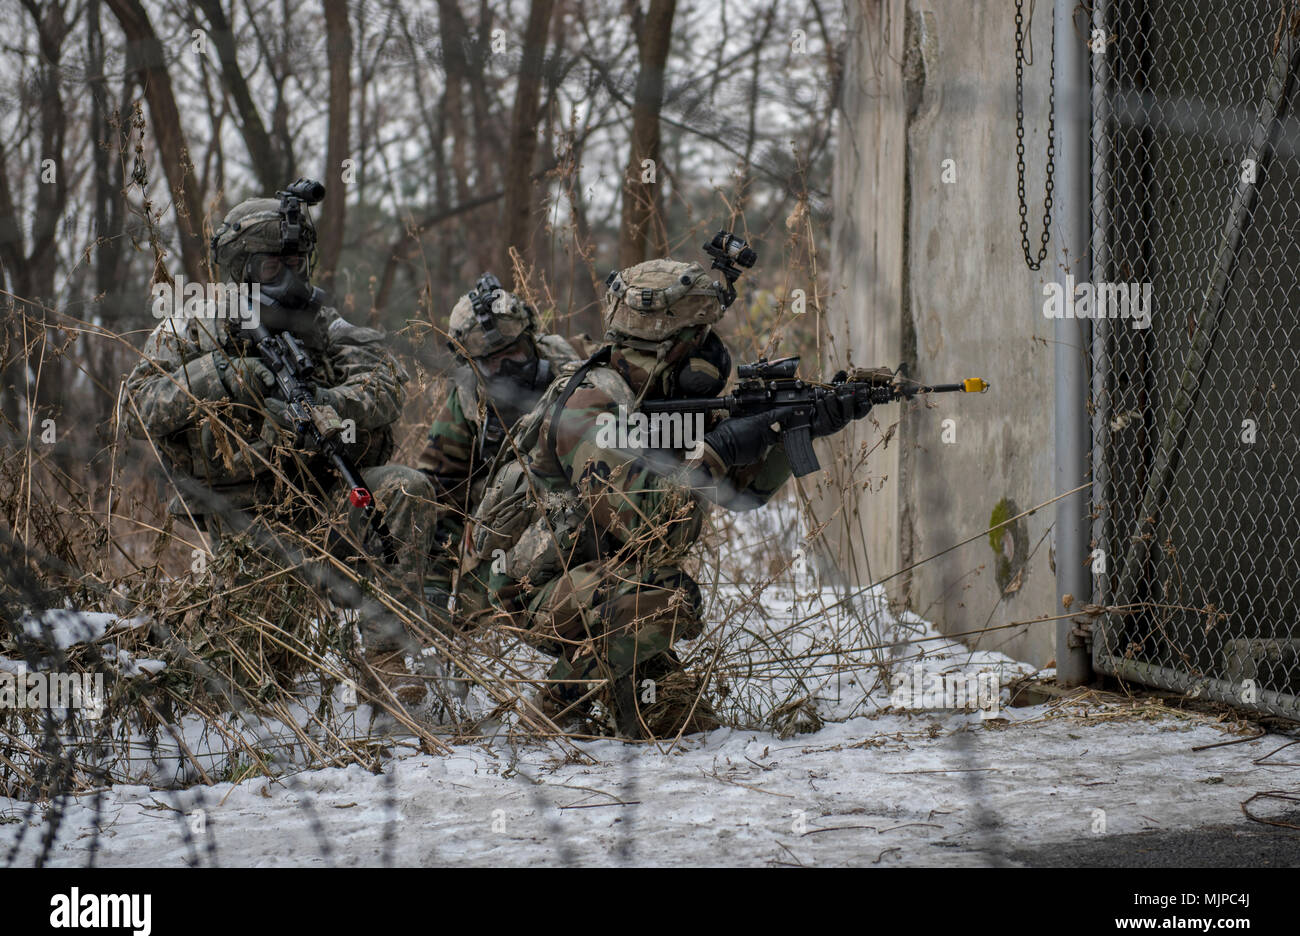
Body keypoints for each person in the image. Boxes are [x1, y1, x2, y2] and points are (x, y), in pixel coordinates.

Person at [464, 256, 873, 738]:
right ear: (666, 344)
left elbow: (745, 495)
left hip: (601, 581)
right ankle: (554, 707)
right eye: (698, 338)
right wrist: (715, 452)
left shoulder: (659, 397)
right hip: (532, 590)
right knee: (669, 597)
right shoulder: (591, 404)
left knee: (676, 723)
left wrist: (790, 430)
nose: (712, 352)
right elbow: (648, 518)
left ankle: (626, 686)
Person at [121, 182, 438, 710]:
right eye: (274, 268)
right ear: (242, 268)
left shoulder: (322, 325)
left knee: (404, 488)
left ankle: (386, 660)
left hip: (324, 512)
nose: (290, 278)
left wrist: (321, 404)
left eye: (297, 262)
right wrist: (226, 375)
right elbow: (137, 405)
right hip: (245, 536)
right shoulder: (193, 328)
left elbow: (385, 383)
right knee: (251, 693)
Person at [416, 275, 582, 636]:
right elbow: (441, 495)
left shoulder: (572, 372)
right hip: (504, 535)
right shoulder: (467, 401)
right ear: (471, 365)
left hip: (579, 519)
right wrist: (434, 587)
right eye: (493, 364)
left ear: (532, 342)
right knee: (472, 621)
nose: (508, 369)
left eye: (516, 355)